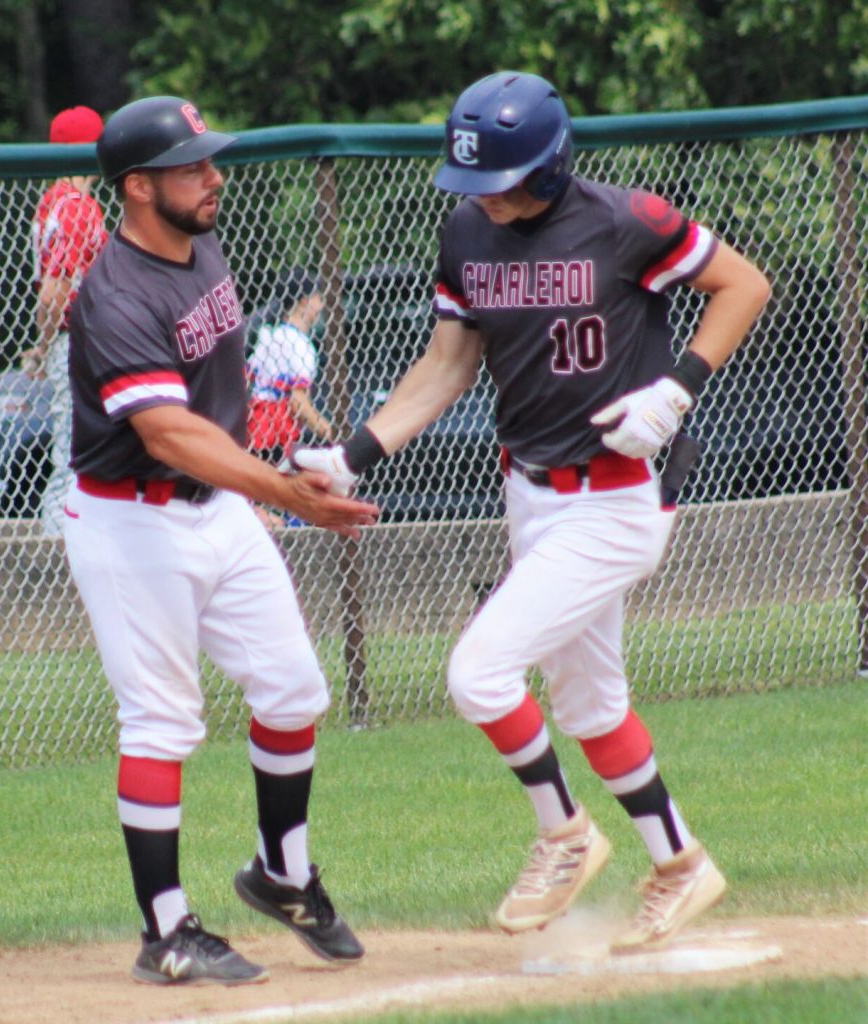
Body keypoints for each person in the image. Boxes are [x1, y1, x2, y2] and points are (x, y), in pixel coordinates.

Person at [290, 72, 771, 953]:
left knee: (479, 675)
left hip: (619, 498)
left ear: (551, 165)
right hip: (533, 492)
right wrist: (351, 453)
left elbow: (743, 284)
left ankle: (565, 833)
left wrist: (677, 390)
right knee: (590, 704)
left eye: (502, 180)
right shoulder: (467, 230)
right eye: (473, 179)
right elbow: (447, 364)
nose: (486, 196)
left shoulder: (626, 219)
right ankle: (680, 863)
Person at [62, 95, 378, 986]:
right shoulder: (114, 297)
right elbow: (166, 432)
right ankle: (165, 931)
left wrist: (269, 474)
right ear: (137, 187)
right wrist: (279, 490)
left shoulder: (201, 244)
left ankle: (282, 874)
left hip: (219, 509)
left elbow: (214, 400)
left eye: (211, 160)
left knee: (293, 688)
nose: (214, 177)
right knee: (162, 720)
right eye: (192, 166)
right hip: (132, 522)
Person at [22, 105, 108, 535]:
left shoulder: (50, 203)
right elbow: (54, 290)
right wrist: (49, 338)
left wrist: (44, 342)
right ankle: (61, 539)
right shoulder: (78, 206)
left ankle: (74, 532)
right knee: (77, 446)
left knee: (83, 439)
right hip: (79, 336)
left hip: (72, 337)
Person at [247, 267, 334, 465]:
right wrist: (329, 432)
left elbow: (249, 378)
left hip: (255, 428)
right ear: (304, 301)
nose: (321, 305)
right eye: (318, 299)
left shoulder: (269, 336)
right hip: (279, 432)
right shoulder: (301, 345)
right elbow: (298, 401)